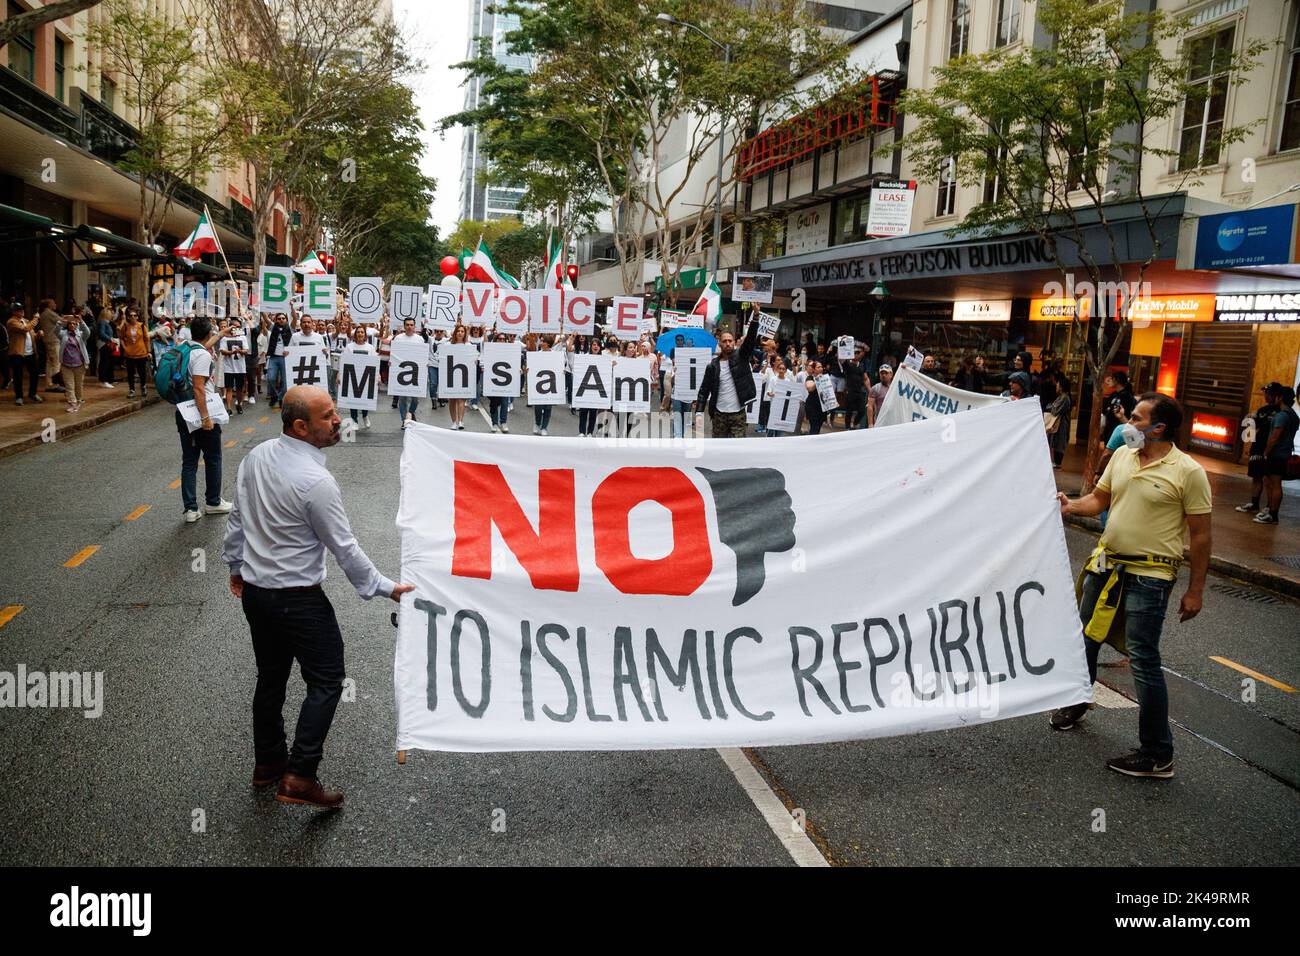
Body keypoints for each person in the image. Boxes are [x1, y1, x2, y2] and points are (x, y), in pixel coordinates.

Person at [222, 385, 412, 808]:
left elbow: (238, 517)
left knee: (270, 679)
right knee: (326, 681)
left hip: (258, 596)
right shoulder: (315, 482)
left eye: (335, 411)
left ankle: (268, 764)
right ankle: (300, 776)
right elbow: (344, 549)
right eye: (328, 416)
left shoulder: (257, 457)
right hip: (299, 602)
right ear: (301, 426)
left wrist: (236, 568)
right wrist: (387, 587)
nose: (338, 420)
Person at [1053, 393, 1210, 779]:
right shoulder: (1124, 455)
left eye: (1136, 418)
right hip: (1106, 563)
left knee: (1143, 658)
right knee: (1083, 637)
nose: (1127, 423)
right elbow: (1099, 499)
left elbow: (1202, 536)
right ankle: (1079, 700)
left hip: (1150, 576)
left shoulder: (1187, 471)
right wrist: (1071, 505)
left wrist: (1196, 591)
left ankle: (1158, 754)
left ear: (1158, 428)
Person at [176, 315, 232, 523]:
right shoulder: (203, 356)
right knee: (213, 458)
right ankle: (213, 502)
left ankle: (190, 509)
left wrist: (220, 335)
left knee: (189, 461)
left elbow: (203, 346)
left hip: (183, 410)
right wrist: (206, 418)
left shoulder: (186, 347)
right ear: (207, 333)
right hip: (200, 413)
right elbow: (199, 387)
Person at [693, 319, 759, 438]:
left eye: (730, 341)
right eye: (724, 341)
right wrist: (699, 412)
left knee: (737, 450)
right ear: (719, 343)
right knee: (719, 449)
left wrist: (756, 318)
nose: (728, 343)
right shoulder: (712, 366)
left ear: (734, 342)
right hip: (719, 414)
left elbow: (750, 340)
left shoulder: (741, 357)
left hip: (738, 414)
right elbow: (704, 390)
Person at [1255, 384, 1298, 525]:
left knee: (1275, 483)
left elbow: (1275, 436)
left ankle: (1273, 515)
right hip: (1284, 453)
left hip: (1276, 454)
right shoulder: (1294, 416)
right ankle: (1271, 511)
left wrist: (1266, 452)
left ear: (1280, 397)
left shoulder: (1281, 416)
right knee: (1270, 481)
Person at [1236, 383, 1280, 515]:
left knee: (1269, 479)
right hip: (1257, 447)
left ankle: (1268, 506)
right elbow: (1250, 427)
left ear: (1277, 395)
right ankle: (1254, 504)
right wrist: (1250, 418)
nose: (1266, 395)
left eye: (1269, 393)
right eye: (1265, 393)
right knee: (1256, 476)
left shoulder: (1281, 412)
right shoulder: (1262, 410)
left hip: (1271, 450)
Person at [6, 304, 42, 406]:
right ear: (14, 312)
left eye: (22, 309)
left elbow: (31, 334)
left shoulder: (26, 321)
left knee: (34, 374)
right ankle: (19, 397)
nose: (22, 311)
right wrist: (35, 318)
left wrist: (38, 334)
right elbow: (24, 329)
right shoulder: (11, 322)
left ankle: (32, 393)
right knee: (18, 376)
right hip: (17, 353)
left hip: (30, 353)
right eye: (19, 310)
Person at [393, 317, 424, 427]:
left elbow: (422, 355)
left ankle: (410, 413)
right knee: (402, 398)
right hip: (401, 371)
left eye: (411, 325)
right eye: (407, 325)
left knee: (415, 399)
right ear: (404, 326)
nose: (409, 327)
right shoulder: (398, 338)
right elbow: (394, 354)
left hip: (415, 372)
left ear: (415, 327)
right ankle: (404, 421)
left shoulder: (419, 339)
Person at [57, 311, 91, 413]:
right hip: (66, 365)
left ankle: (79, 400)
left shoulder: (81, 335)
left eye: (74, 323)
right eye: (70, 323)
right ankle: (73, 403)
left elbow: (88, 332)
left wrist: (81, 321)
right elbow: (56, 331)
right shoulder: (63, 334)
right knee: (69, 385)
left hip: (79, 364)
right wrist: (61, 321)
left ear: (77, 325)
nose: (72, 325)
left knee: (78, 385)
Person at [341, 326, 374, 429]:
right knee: (353, 399)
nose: (360, 334)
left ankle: (365, 416)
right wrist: (339, 375)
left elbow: (375, 362)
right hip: (352, 376)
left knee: (365, 399)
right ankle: (354, 420)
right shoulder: (349, 347)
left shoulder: (370, 348)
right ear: (355, 335)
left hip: (366, 376)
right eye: (358, 332)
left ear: (365, 335)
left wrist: (378, 376)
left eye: (362, 332)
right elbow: (344, 361)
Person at [446, 323, 472, 430]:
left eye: (462, 331)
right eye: (458, 331)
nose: (460, 333)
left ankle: (460, 421)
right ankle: (454, 422)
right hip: (451, 374)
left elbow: (474, 359)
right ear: (455, 333)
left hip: (463, 374)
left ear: (465, 333)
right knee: (452, 399)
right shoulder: (448, 345)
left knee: (461, 398)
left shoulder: (468, 346)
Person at [1045, 369, 1073, 468]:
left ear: (1061, 387)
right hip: (1058, 424)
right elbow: (1052, 407)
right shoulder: (1061, 397)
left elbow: (1054, 410)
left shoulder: (1065, 398)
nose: (1056, 386)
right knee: (1056, 442)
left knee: (1059, 444)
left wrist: (1052, 406)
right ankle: (1056, 462)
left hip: (1062, 425)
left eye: (1057, 385)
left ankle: (1058, 463)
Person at [1100, 370, 1136, 445]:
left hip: (1119, 429)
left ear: (1116, 380)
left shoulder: (1126, 396)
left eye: (1112, 379)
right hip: (1109, 429)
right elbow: (1105, 407)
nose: (1109, 381)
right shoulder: (1114, 394)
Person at [264, 313, 292, 409]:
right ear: (276, 320)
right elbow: (265, 317)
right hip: (273, 357)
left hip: (286, 359)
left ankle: (280, 398)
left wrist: (292, 308)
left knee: (285, 381)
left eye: (283, 318)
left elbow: (295, 317)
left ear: (286, 320)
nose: (281, 320)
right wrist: (262, 306)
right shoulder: (273, 327)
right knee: (270, 378)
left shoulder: (290, 328)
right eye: (279, 318)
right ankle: (274, 396)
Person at [37, 298, 63, 394]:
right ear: (49, 305)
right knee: (56, 362)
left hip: (49, 340)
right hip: (53, 340)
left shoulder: (45, 313)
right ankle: (55, 384)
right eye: (54, 302)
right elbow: (61, 321)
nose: (55, 304)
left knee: (49, 363)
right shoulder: (49, 313)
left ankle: (49, 383)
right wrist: (70, 319)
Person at [96, 303, 118, 388]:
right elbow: (101, 333)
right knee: (104, 362)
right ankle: (103, 380)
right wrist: (110, 339)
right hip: (104, 344)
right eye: (110, 313)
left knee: (107, 362)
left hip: (106, 343)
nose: (112, 315)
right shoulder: (103, 322)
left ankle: (107, 379)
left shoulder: (105, 322)